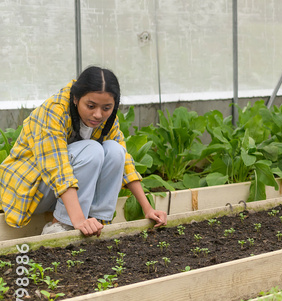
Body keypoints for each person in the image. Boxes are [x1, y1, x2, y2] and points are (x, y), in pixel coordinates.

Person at [0, 66, 168, 236]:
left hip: (64, 197)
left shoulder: (108, 120)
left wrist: (148, 209)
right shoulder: (55, 111)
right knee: (92, 150)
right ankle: (59, 227)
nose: (98, 114)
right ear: (75, 99)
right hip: (32, 192)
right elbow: (58, 170)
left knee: (116, 151)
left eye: (106, 108)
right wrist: (78, 219)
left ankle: (98, 222)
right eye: (91, 106)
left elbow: (124, 163)